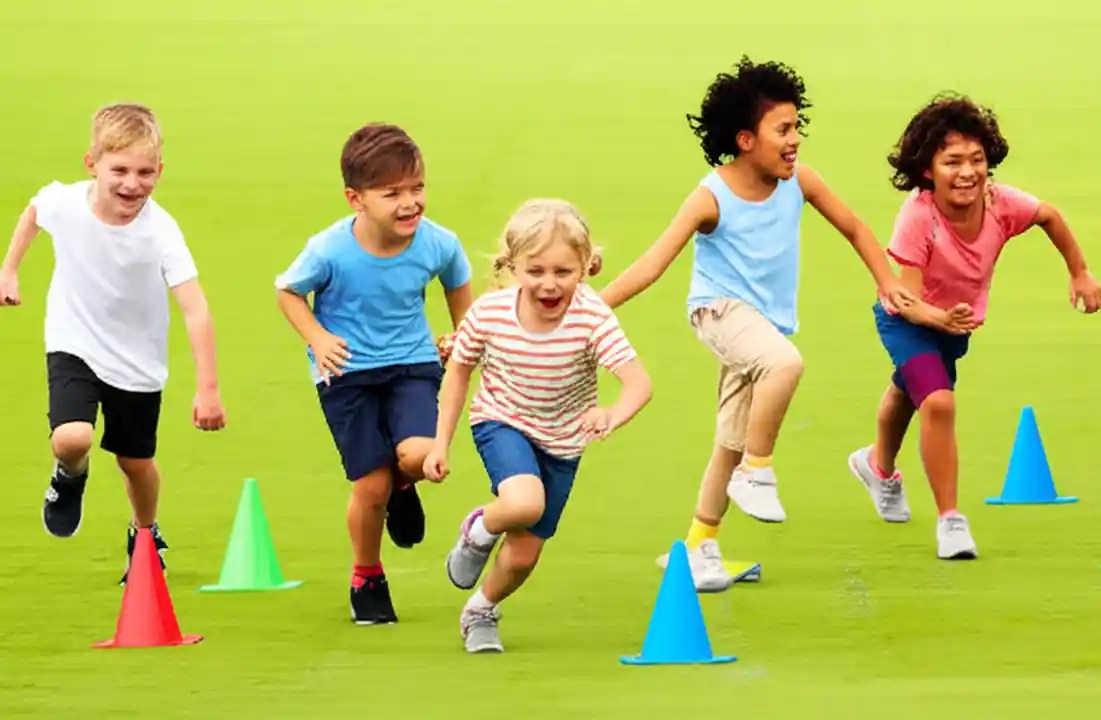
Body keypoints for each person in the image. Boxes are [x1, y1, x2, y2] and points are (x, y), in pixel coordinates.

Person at [597, 56, 915, 591]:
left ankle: (700, 544)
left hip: (760, 326)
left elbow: (857, 228)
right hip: (718, 313)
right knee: (785, 365)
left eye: (798, 129)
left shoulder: (799, 182)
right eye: (782, 130)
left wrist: (886, 282)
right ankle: (757, 470)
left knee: (730, 436)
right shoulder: (711, 197)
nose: (795, 141)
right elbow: (652, 265)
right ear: (745, 139)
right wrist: (592, 306)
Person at [846, 92, 1101, 559]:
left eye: (977, 159)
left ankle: (876, 465)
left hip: (954, 324)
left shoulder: (1001, 204)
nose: (967, 172)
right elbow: (906, 298)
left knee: (909, 391)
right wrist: (938, 318)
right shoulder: (918, 216)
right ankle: (951, 520)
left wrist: (1079, 271)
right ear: (928, 170)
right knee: (939, 402)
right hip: (909, 319)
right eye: (952, 162)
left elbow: (1048, 216)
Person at [0, 102, 228, 585]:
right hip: (73, 341)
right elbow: (35, 212)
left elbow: (195, 307)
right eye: (119, 170)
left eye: (146, 172)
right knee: (72, 437)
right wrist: (10, 268)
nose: (132, 184)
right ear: (92, 164)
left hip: (137, 362)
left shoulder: (161, 232)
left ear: (160, 171)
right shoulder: (65, 201)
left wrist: (207, 388)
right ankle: (70, 475)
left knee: (136, 463)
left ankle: (145, 534)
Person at [424, 198, 652, 653]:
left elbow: (638, 383)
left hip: (563, 443)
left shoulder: (590, 316)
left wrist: (611, 414)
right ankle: (478, 529)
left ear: (585, 268)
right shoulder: (490, 313)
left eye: (563, 273)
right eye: (536, 271)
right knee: (525, 502)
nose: (549, 285)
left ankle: (481, 609)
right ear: (512, 266)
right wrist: (440, 443)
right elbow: (459, 373)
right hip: (501, 420)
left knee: (525, 554)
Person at [275, 122, 473, 624]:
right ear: (355, 199)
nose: (410, 203)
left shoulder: (438, 243)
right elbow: (288, 292)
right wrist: (318, 339)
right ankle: (367, 574)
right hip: (347, 374)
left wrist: (461, 336)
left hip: (412, 364)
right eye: (392, 194)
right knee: (370, 485)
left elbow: (458, 281)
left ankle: (404, 487)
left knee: (421, 456)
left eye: (417, 188)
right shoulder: (329, 249)